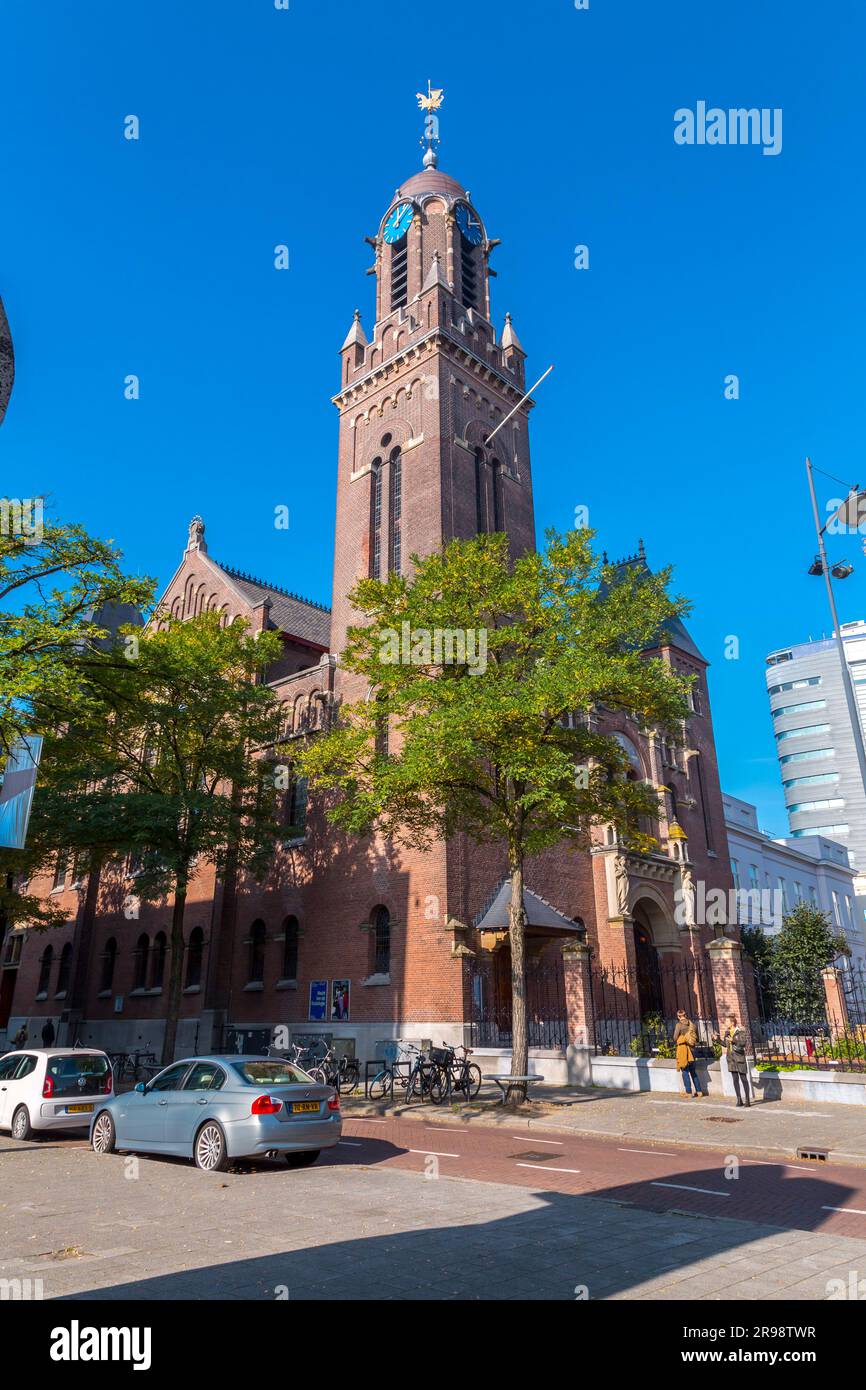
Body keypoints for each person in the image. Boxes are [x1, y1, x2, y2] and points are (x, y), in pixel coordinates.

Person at [715, 1014, 751, 1107]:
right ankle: (739, 1099)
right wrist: (717, 1039)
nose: (725, 1023)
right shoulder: (727, 1033)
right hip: (731, 1059)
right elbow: (725, 1044)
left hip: (739, 1058)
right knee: (735, 1079)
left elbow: (743, 1044)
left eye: (727, 1022)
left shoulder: (740, 1032)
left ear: (732, 1022)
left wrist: (734, 1041)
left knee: (743, 1079)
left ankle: (747, 1100)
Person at [673, 1009, 702, 1097]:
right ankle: (699, 1091)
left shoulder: (679, 1025)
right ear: (686, 1015)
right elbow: (697, 1039)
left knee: (685, 1071)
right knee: (693, 1072)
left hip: (684, 1050)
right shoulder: (693, 1025)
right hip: (693, 1050)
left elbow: (674, 1038)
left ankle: (688, 1092)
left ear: (678, 1016)